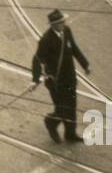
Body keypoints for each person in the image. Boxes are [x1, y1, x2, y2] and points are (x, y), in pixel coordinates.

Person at [29, 9, 90, 144]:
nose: (64, 23)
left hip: (69, 78)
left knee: (72, 106)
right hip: (55, 81)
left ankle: (70, 134)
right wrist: (35, 80)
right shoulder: (46, 40)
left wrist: (85, 64)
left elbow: (74, 48)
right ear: (54, 25)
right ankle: (50, 122)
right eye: (61, 22)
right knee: (62, 109)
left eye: (63, 21)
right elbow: (37, 60)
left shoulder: (67, 31)